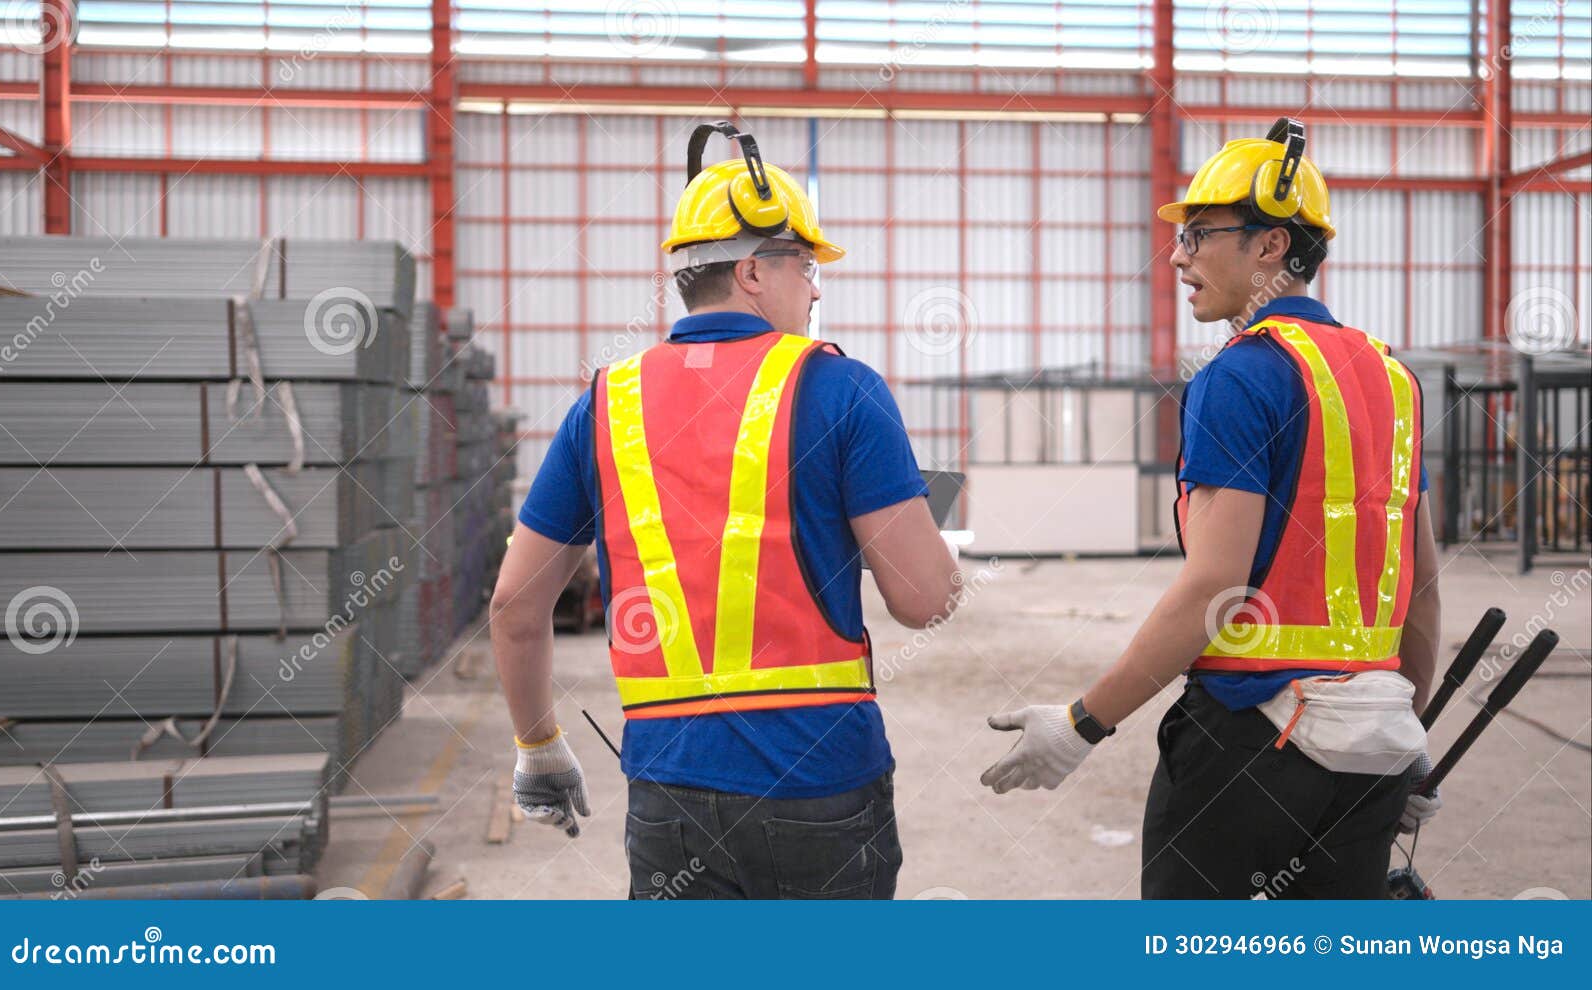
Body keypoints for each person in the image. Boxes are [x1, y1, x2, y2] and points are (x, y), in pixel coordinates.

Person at [490, 122, 960, 899]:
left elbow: (513, 604)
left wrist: (539, 747)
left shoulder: (605, 404)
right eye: (806, 266)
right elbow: (925, 599)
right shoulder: (841, 389)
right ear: (751, 271)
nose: (814, 289)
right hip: (823, 788)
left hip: (670, 796)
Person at [980, 118, 1443, 899]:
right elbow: (1422, 586)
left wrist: (1084, 721)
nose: (1178, 254)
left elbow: (1213, 586)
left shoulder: (1242, 375)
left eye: (1200, 233)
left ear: (1270, 246)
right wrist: (1403, 735)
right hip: (1371, 749)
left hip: (1250, 744)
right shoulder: (1392, 378)